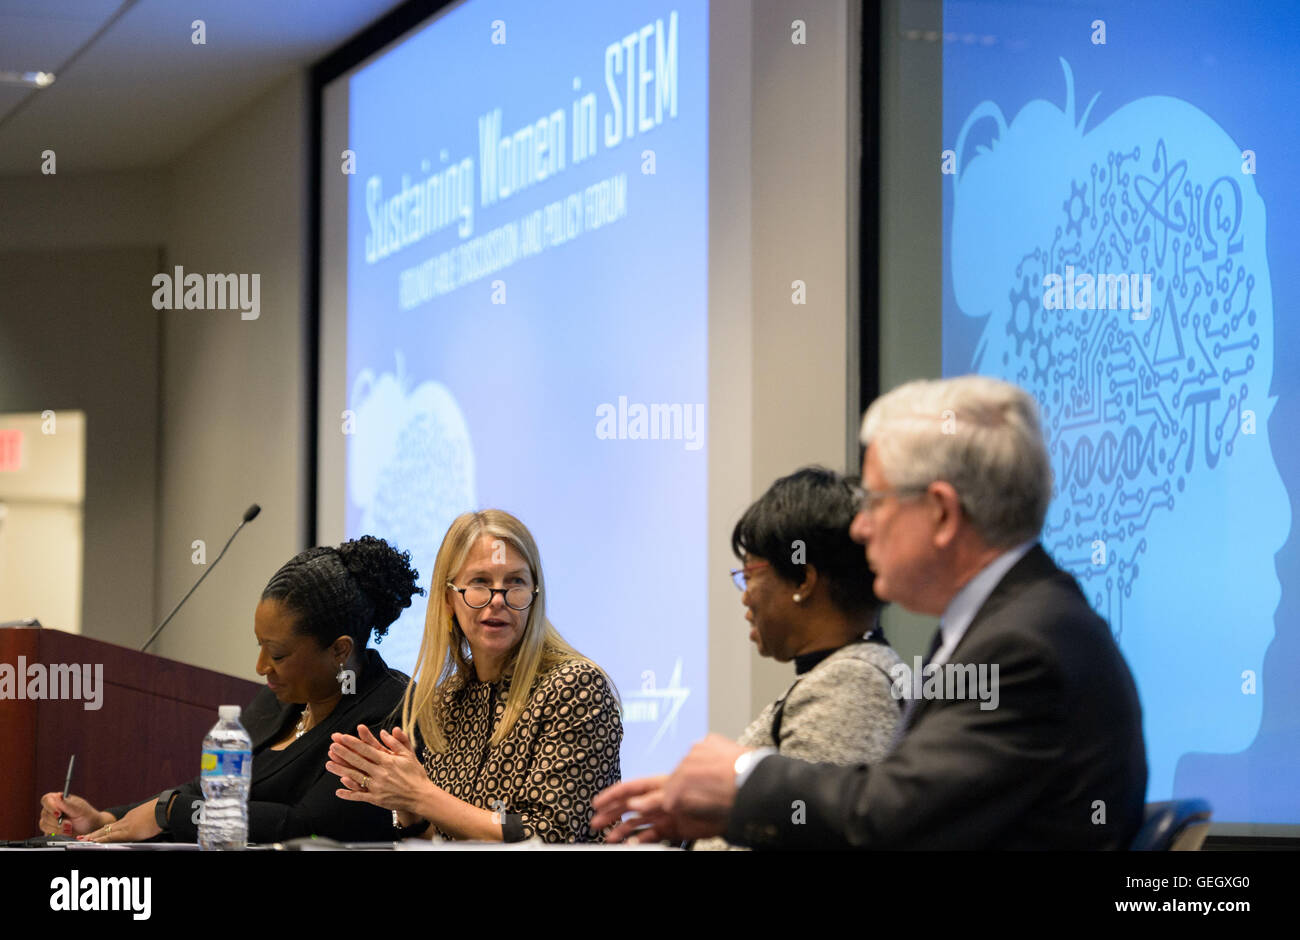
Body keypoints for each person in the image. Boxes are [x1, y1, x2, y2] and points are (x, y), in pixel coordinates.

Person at [592, 375, 1148, 849]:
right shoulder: (1012, 623)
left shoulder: (1024, 646)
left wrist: (740, 777)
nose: (861, 527)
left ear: (941, 513)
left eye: (876, 503)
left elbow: (892, 817)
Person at [38, 536, 421, 844]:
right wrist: (106, 819)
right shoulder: (281, 699)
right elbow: (208, 786)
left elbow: (311, 826)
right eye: (260, 646)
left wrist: (172, 812)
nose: (260, 668)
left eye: (278, 654)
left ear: (339, 650)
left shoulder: (389, 711)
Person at [326, 509, 622, 843]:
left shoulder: (576, 686)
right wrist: (411, 813)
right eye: (480, 582)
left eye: (515, 583)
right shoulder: (445, 699)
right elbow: (447, 842)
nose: (498, 600)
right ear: (449, 598)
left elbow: (546, 836)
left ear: (534, 595)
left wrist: (422, 795)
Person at [693, 466, 901, 850]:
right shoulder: (846, 672)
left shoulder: (853, 686)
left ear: (804, 580)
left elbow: (803, 838)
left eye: (750, 573)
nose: (745, 594)